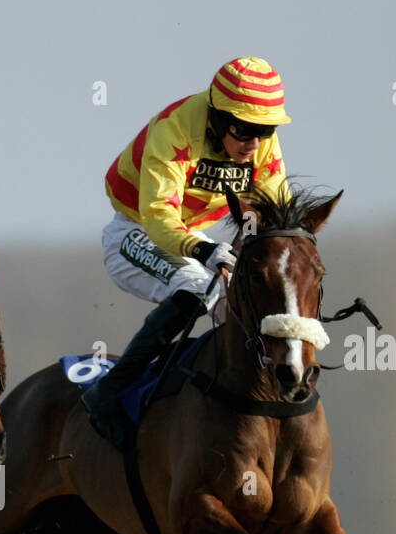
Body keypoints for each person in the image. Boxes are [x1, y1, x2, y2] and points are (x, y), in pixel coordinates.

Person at [82, 57, 293, 449]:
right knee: (200, 286)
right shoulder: (175, 129)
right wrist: (204, 248)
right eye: (245, 130)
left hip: (195, 236)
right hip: (137, 230)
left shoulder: (258, 143)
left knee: (242, 303)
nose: (254, 143)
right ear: (217, 116)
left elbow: (274, 208)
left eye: (265, 131)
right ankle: (108, 392)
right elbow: (159, 216)